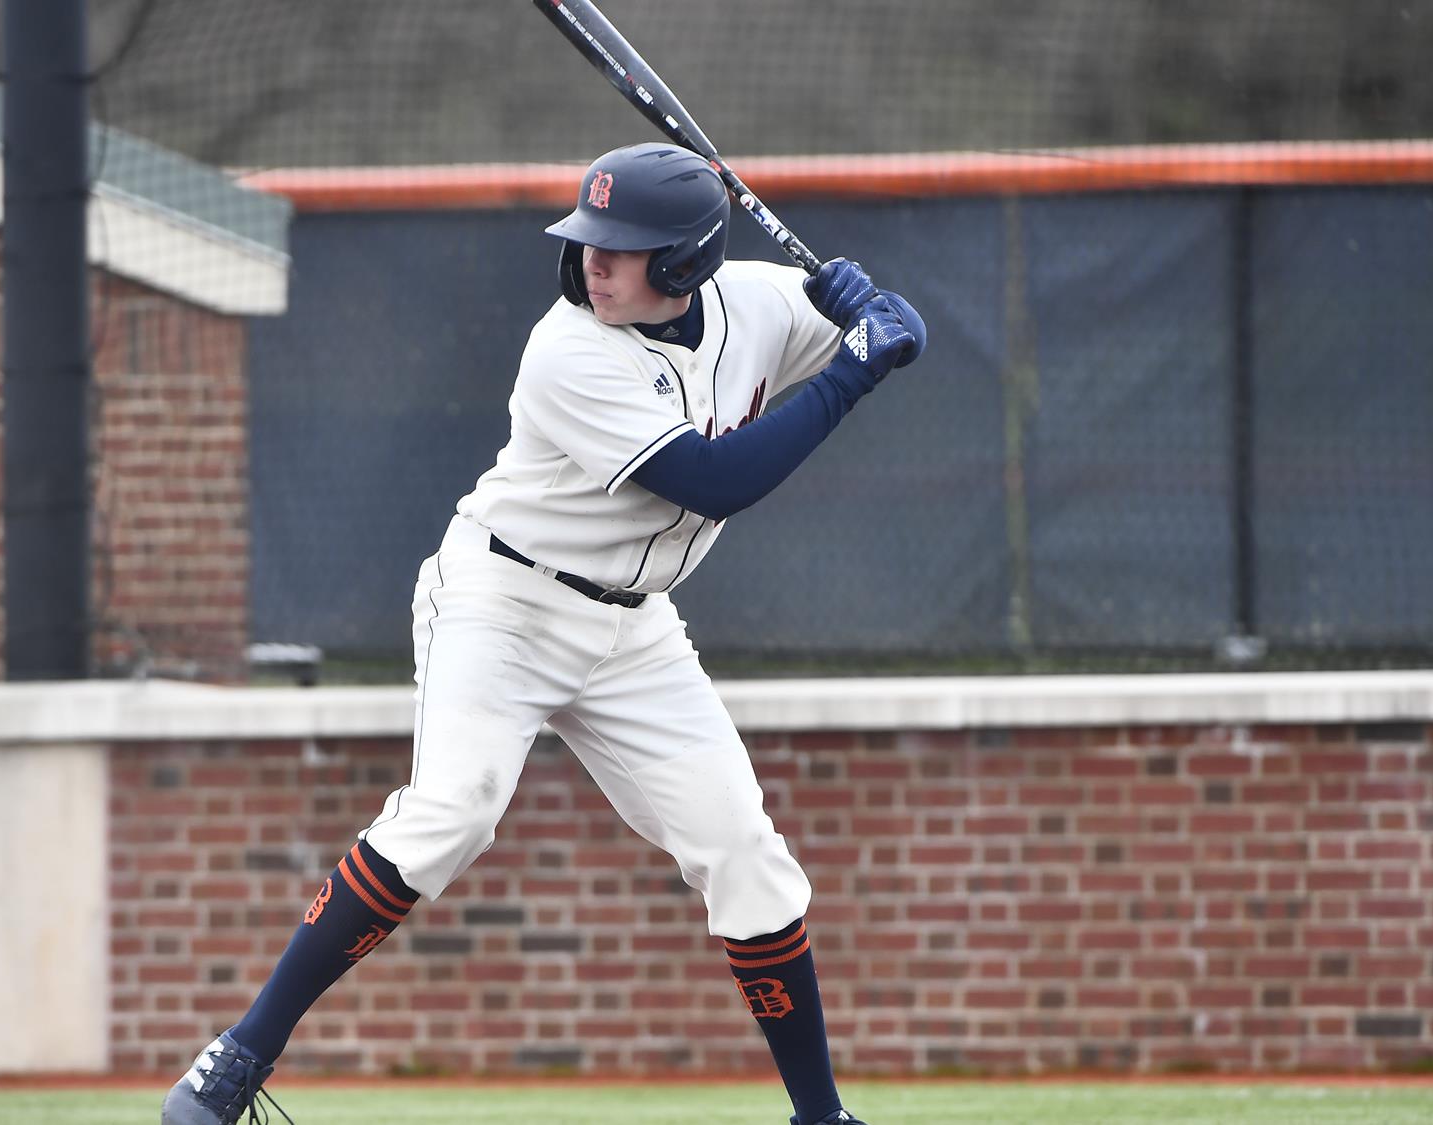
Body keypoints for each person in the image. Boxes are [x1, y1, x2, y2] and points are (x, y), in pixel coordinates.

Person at [162, 141, 925, 1125]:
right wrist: (851, 372)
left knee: (743, 851)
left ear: (687, 264)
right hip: (503, 602)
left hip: (634, 627)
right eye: (586, 242)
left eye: (622, 249)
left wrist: (873, 313)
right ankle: (237, 1059)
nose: (592, 263)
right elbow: (715, 479)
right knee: (454, 812)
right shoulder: (568, 349)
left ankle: (820, 1119)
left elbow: (878, 332)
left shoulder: (762, 302)